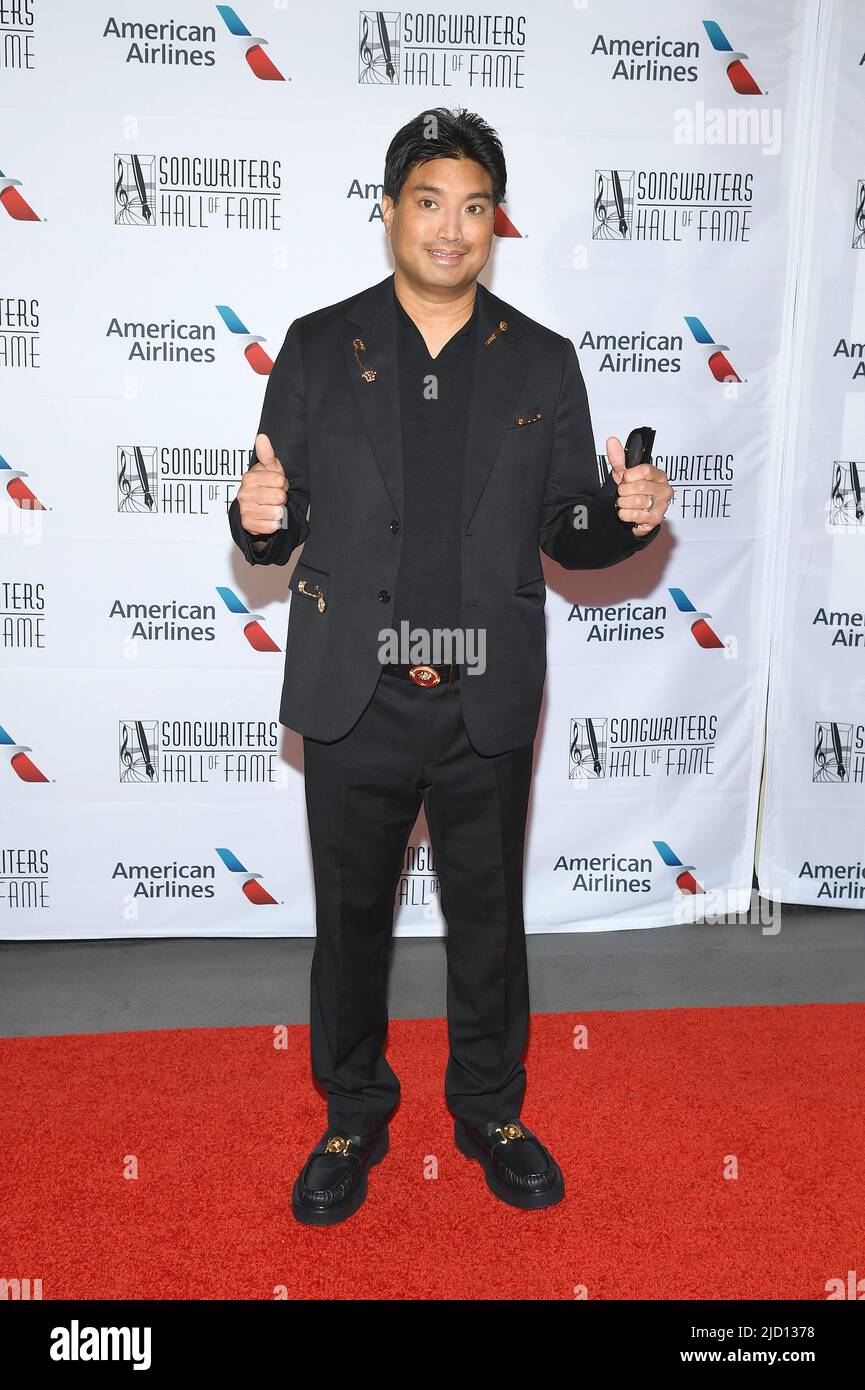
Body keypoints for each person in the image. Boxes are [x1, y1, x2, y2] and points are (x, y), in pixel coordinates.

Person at [228, 107, 673, 1226]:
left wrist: (623, 518)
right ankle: (350, 1116)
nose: (450, 227)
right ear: (388, 212)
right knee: (350, 927)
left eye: (474, 206)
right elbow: (276, 511)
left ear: (494, 223)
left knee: (488, 920)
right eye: (429, 201)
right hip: (354, 690)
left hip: (482, 687)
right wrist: (258, 521)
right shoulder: (320, 344)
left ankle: (491, 1111)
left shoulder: (540, 358)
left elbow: (570, 525)